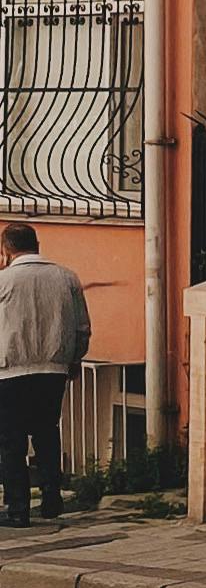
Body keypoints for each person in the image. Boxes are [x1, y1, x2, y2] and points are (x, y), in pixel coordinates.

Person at [0, 222, 90, 528]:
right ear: (37, 244)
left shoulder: (4, 281)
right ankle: (52, 497)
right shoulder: (67, 277)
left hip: (10, 371)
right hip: (53, 369)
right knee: (46, 432)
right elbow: (82, 327)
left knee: (11, 441)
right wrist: (74, 359)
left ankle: (18, 509)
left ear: (6, 250)